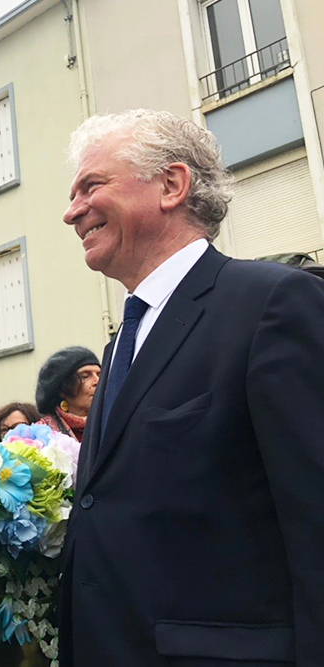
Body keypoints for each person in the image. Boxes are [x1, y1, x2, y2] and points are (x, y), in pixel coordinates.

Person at [59, 109, 324, 666]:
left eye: (91, 185)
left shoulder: (272, 304)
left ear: (172, 185)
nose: (71, 212)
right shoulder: (122, 342)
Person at [34, 346, 100, 442]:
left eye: (100, 375)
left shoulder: (114, 425)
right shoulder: (39, 437)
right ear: (63, 390)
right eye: (85, 376)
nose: (97, 381)